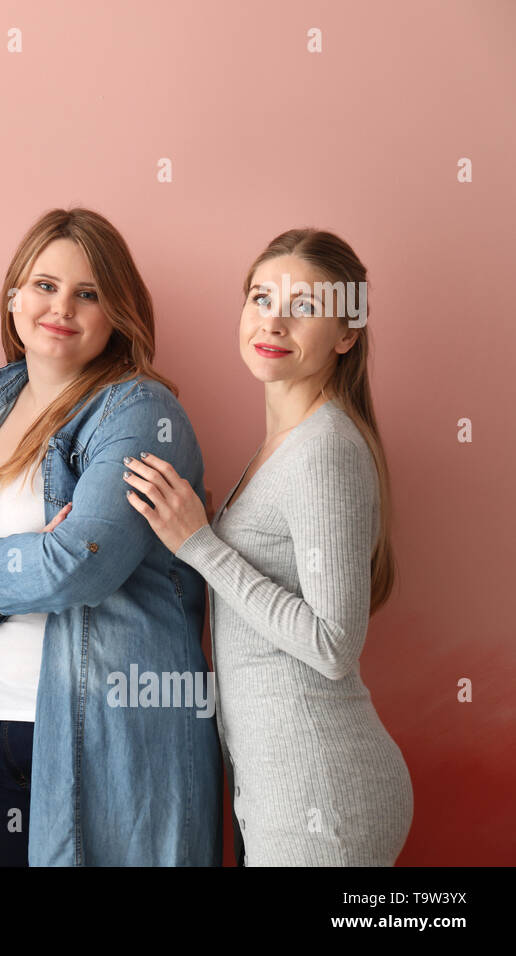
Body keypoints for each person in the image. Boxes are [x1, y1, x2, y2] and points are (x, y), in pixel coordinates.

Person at [0, 207, 221, 866]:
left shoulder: (140, 412)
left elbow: (78, 568)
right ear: (14, 296)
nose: (61, 307)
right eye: (44, 285)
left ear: (118, 313)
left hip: (104, 743)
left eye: (88, 293)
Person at [122, 228, 413, 865]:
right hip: (286, 786)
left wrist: (201, 543)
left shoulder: (324, 449)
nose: (274, 320)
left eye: (304, 306)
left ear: (347, 333)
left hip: (320, 796)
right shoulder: (288, 444)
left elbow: (334, 646)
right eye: (260, 297)